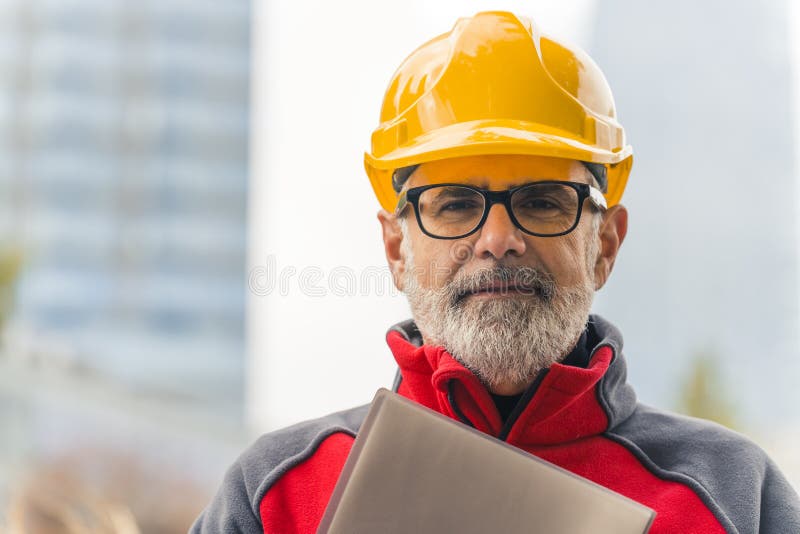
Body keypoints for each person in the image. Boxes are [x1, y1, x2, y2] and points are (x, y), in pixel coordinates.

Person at [191, 11, 800, 533]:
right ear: (397, 249)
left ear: (605, 245)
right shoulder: (276, 497)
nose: (499, 240)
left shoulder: (735, 497)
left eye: (542, 201)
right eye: (456, 204)